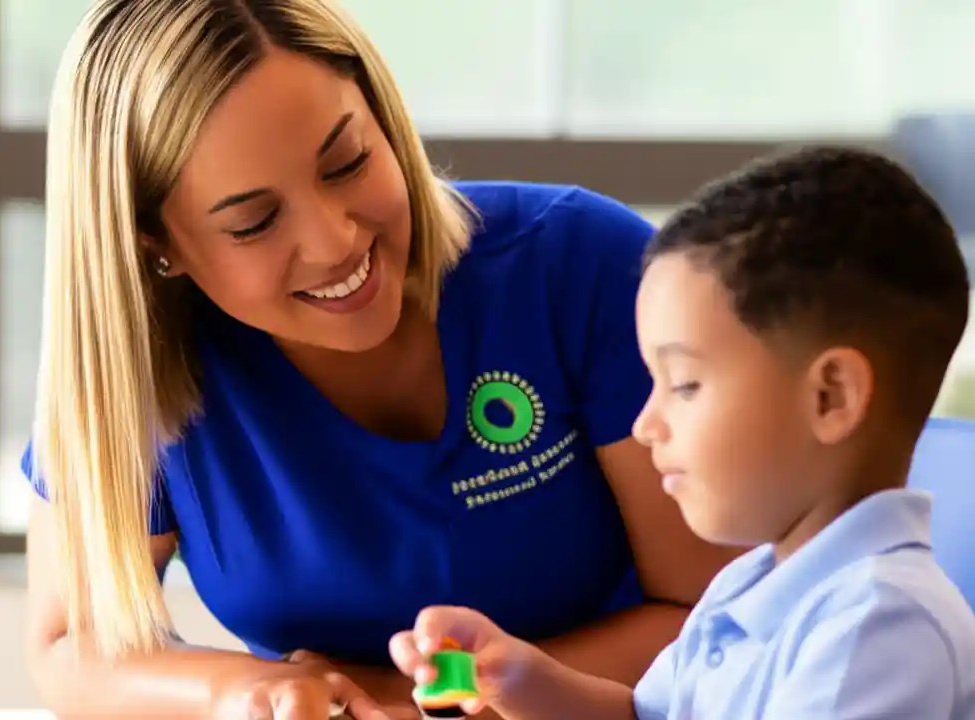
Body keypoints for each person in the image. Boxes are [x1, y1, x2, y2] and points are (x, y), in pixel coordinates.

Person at [19, 1, 733, 717]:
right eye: (254, 222)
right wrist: (246, 693)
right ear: (157, 245)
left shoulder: (578, 267)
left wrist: (416, 701)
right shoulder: (134, 372)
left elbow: (722, 612)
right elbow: (72, 645)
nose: (335, 242)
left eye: (347, 162)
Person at [389, 146, 975, 719]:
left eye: (686, 384)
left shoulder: (879, 626)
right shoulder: (748, 585)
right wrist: (521, 681)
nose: (645, 425)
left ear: (831, 397)